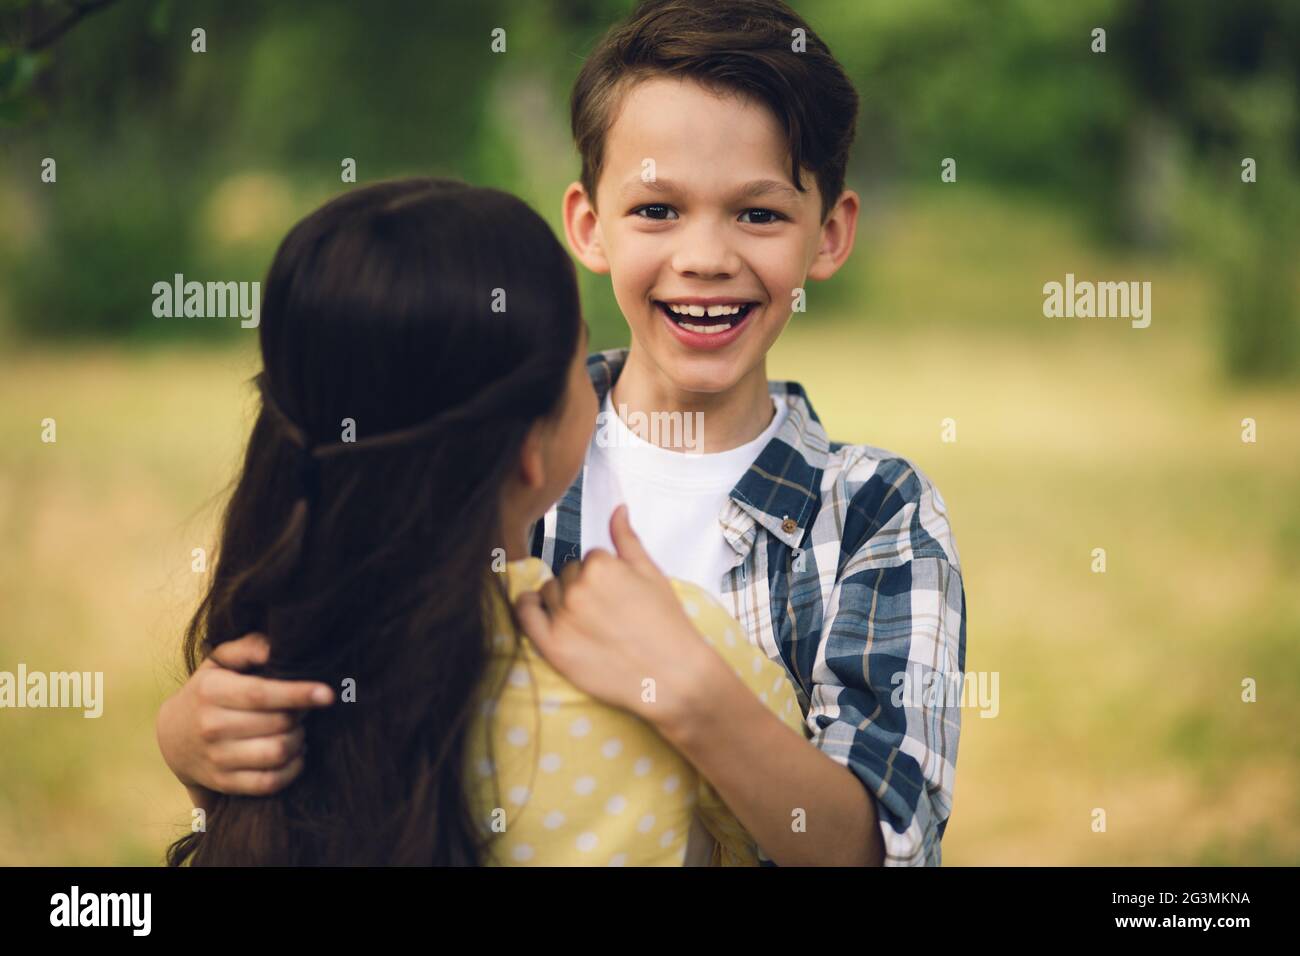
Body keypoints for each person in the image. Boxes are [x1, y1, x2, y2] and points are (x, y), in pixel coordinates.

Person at [163, 178, 804, 866]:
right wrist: (701, 689)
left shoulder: (258, 688)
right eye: (575, 361)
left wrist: (185, 753)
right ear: (530, 450)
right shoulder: (689, 647)